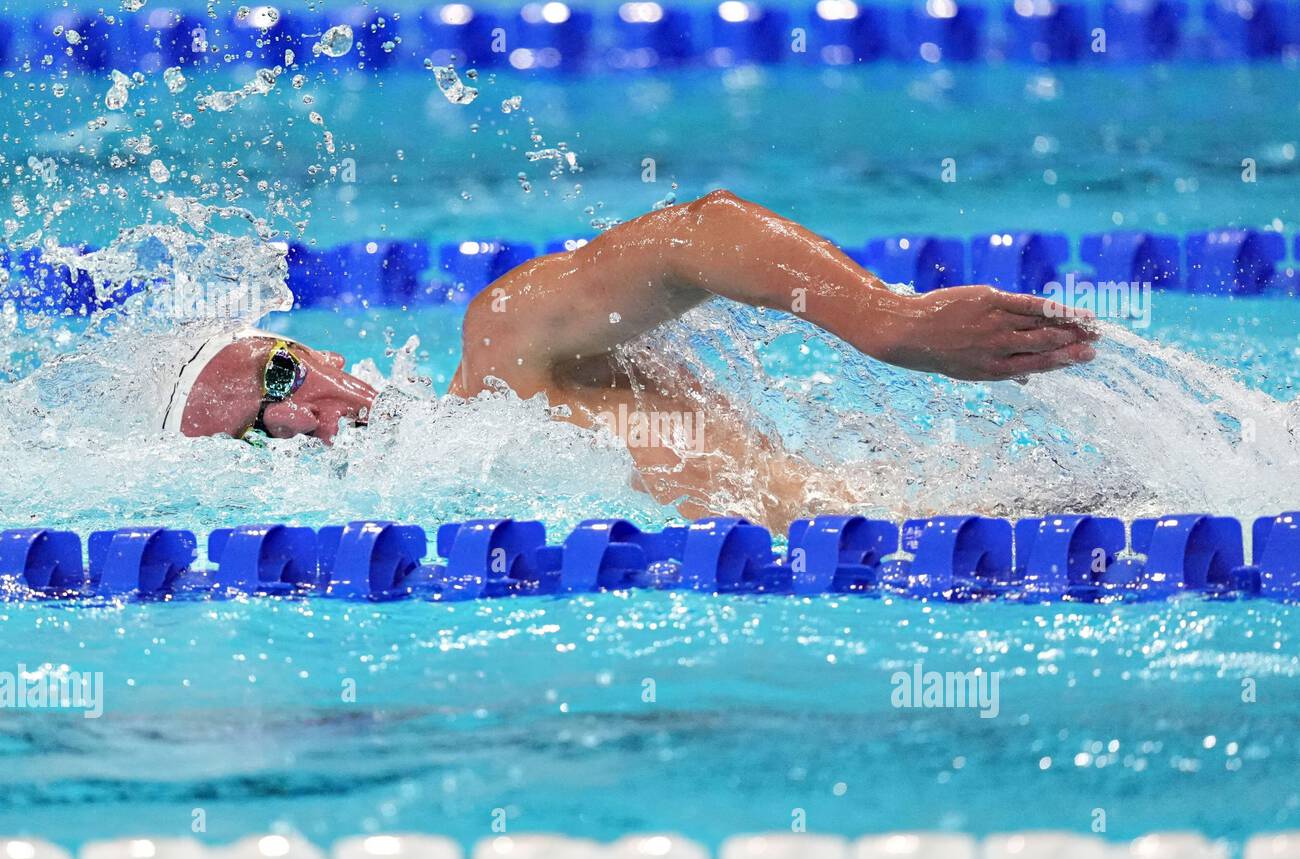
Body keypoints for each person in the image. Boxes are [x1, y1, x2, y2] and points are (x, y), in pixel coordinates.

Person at [164, 191, 1097, 525]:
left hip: (989, 528)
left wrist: (884, 320)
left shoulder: (505, 356)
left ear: (315, 347)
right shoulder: (435, 536)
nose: (298, 418)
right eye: (257, 434)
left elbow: (696, 235)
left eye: (280, 375)